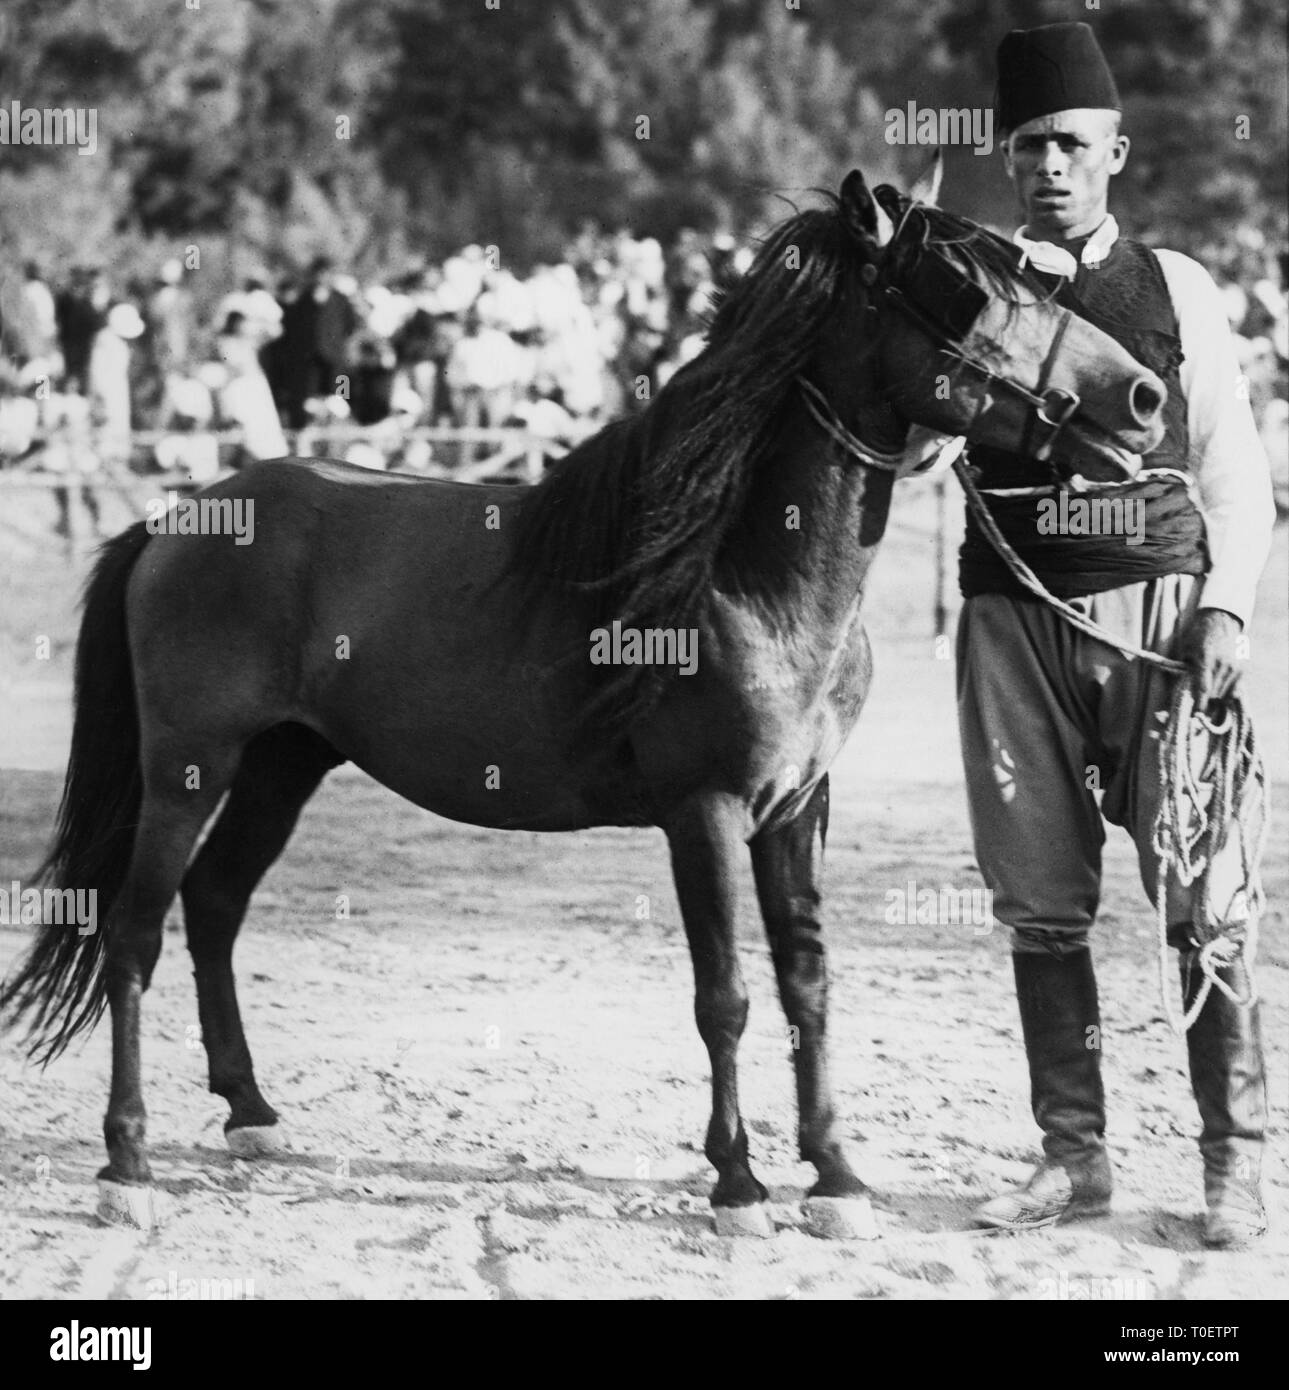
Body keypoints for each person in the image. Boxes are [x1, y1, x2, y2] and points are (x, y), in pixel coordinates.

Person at [949, 23, 1275, 1248]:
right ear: (1002, 152)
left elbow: (1232, 468)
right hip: (1010, 625)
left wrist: (1227, 607)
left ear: (1114, 153)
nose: (1050, 165)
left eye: (1073, 144)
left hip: (1158, 621)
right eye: (1029, 144)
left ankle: (1230, 1164)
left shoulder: (1173, 286)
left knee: (1205, 891)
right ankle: (1071, 1158)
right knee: (1038, 905)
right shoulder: (969, 286)